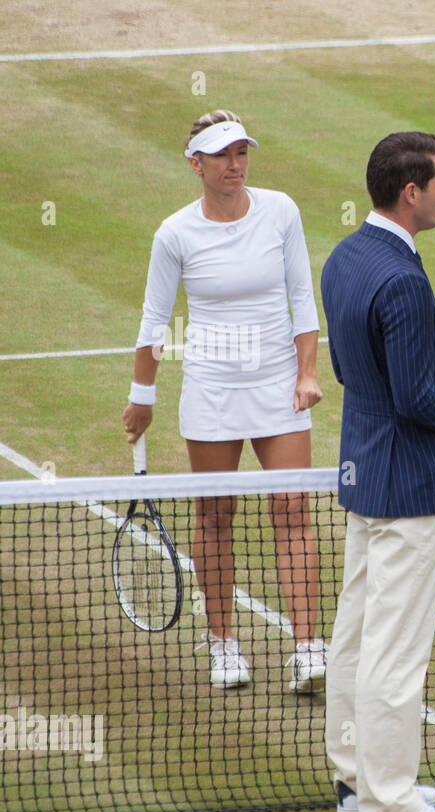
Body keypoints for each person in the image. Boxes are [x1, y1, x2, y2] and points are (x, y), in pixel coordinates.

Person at [320, 132, 435, 812]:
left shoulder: (346, 257)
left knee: (357, 638)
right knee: (393, 654)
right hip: (409, 487)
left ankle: (354, 778)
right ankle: (390, 807)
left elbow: (351, 367)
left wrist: (432, 387)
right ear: (410, 193)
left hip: (366, 474)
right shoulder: (401, 278)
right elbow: (413, 403)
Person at [125, 110, 327, 693]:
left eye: (242, 153)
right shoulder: (175, 234)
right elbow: (153, 322)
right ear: (197, 164)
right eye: (222, 156)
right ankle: (222, 644)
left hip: (279, 387)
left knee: (293, 513)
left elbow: (301, 298)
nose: (236, 165)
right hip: (211, 392)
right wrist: (143, 397)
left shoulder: (281, 210)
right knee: (215, 518)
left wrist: (307, 374)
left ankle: (308, 647)